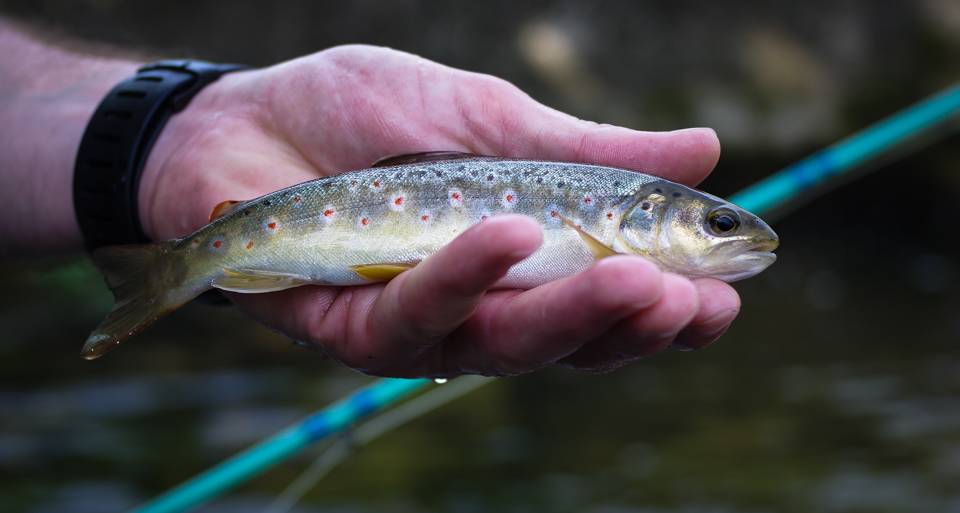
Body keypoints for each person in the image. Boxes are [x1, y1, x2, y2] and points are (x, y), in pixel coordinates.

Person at [0, 19, 740, 376]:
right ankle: (164, 270)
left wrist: (155, 144)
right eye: (716, 224)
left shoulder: (607, 216)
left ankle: (169, 264)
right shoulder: (609, 208)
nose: (733, 238)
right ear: (637, 214)